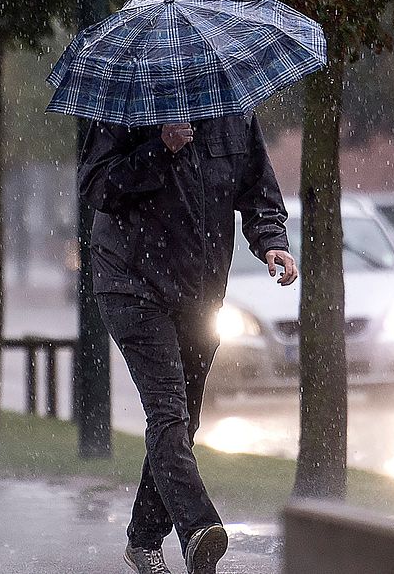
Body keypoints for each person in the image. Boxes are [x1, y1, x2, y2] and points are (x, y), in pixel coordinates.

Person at [79, 113, 298, 574]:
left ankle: (142, 540)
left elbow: (258, 189)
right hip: (131, 283)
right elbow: (98, 187)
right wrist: (159, 148)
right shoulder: (130, 107)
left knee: (184, 420)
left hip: (200, 293)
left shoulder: (234, 114)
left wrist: (271, 241)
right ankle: (200, 529)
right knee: (168, 413)